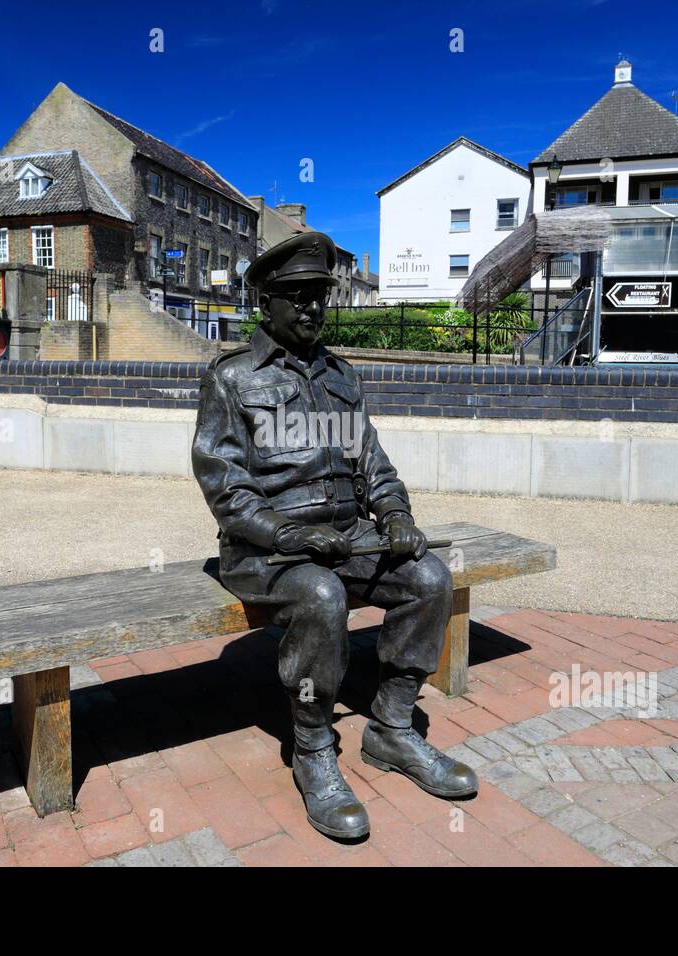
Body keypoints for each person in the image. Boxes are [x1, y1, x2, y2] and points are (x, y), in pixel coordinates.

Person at [191, 232, 476, 840]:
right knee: (321, 595)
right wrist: (290, 534)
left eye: (319, 294)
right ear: (264, 302)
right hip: (262, 552)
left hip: (349, 540)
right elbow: (226, 490)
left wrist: (395, 514)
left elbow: (374, 462)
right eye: (295, 296)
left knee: (429, 577)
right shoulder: (232, 379)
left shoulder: (341, 376)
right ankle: (313, 748)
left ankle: (392, 729)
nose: (311, 307)